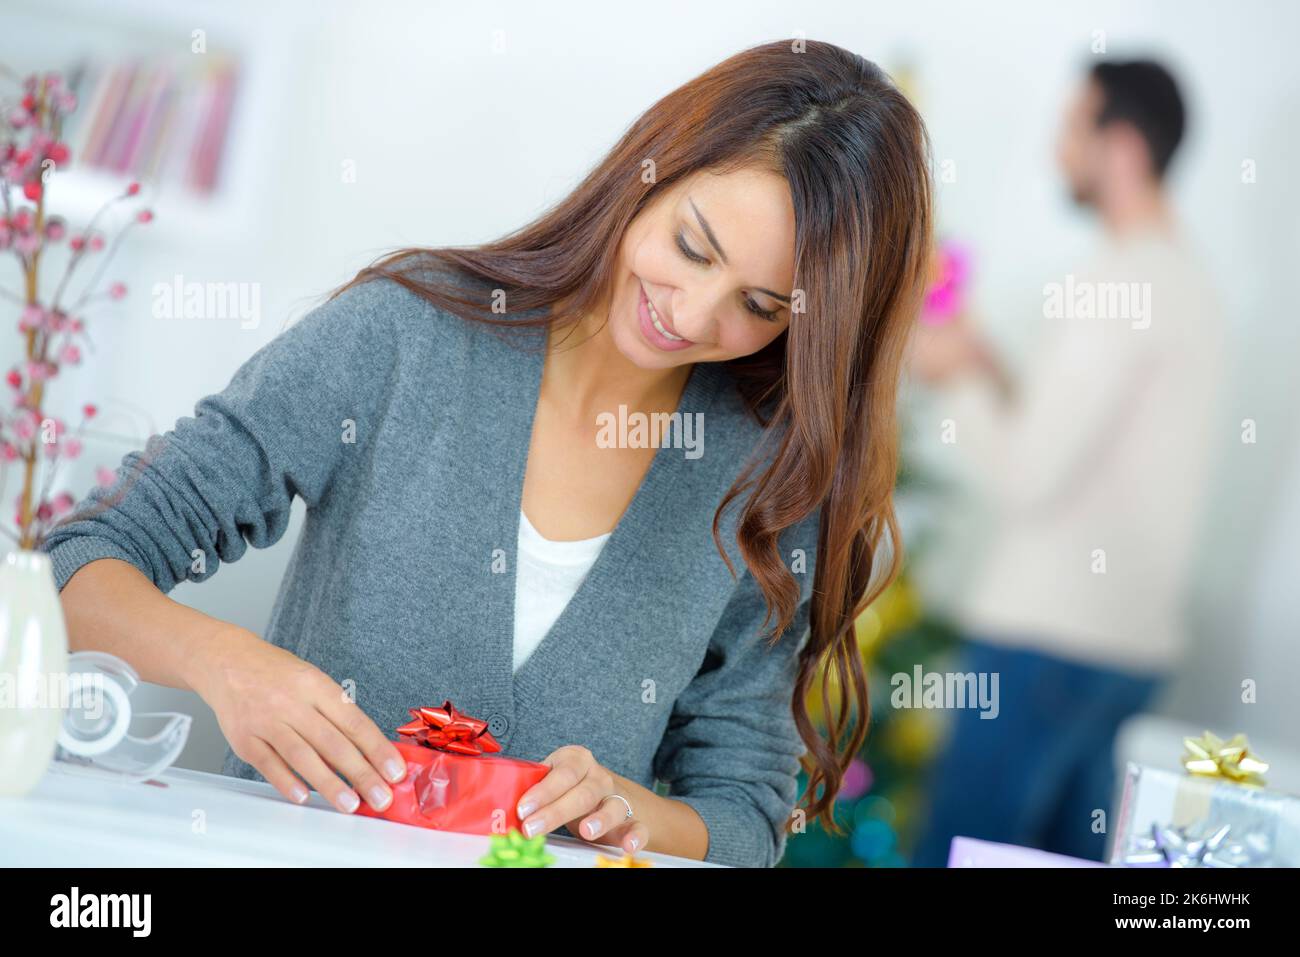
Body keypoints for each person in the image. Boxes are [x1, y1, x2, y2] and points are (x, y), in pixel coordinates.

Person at [42, 40, 935, 867]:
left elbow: (742, 814)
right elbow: (76, 568)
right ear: (646, 172)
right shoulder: (406, 334)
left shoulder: (764, 479)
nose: (695, 316)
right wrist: (225, 664)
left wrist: (631, 810)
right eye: (692, 246)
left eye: (760, 306)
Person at [908, 59, 1225, 865]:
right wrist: (985, 365)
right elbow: (1081, 442)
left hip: (1047, 643)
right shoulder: (1184, 280)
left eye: (1071, 128)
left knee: (963, 851)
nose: (1058, 149)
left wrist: (948, 376)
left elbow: (1027, 476)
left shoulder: (1116, 283)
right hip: (1126, 649)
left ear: (1119, 147)